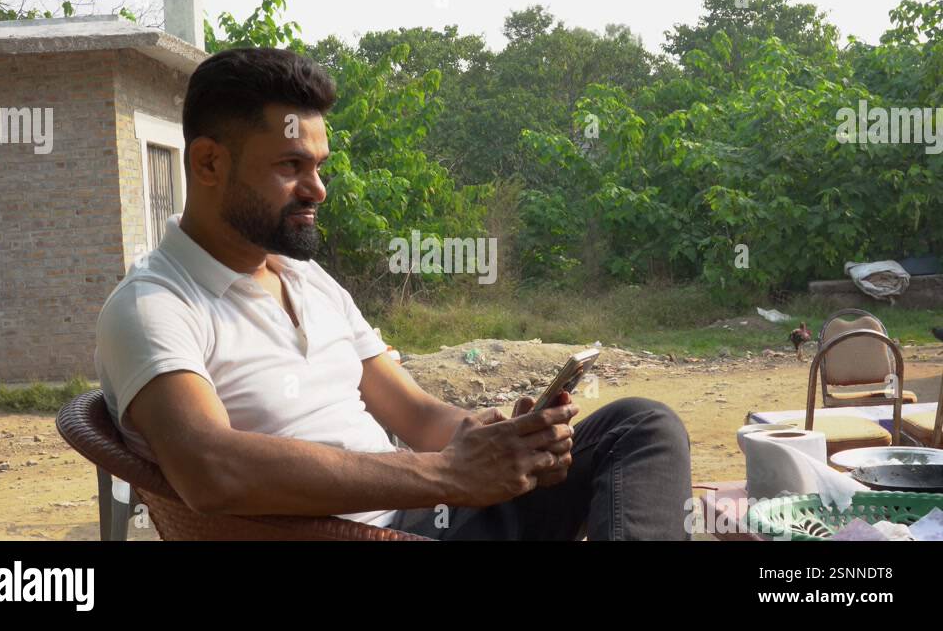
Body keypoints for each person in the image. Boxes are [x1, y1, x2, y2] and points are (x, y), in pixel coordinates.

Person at [94, 47, 692, 540]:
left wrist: (489, 440)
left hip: (432, 514)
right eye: (290, 166)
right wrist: (444, 476)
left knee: (639, 426)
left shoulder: (307, 278)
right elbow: (210, 470)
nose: (318, 189)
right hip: (379, 529)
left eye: (319, 165)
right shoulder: (153, 308)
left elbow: (416, 413)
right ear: (207, 164)